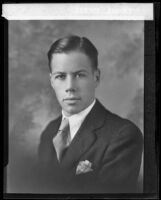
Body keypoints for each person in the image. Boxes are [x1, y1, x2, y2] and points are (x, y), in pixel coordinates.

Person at [35, 35, 143, 193]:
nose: (70, 87)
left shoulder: (123, 136)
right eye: (61, 76)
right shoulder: (49, 132)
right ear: (52, 81)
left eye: (79, 75)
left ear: (96, 77)